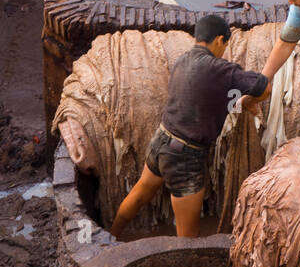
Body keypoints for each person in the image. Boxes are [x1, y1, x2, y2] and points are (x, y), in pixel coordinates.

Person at [109, 14, 270, 240]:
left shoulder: (182, 60)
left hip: (161, 140)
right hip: (185, 157)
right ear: (219, 40)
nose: (224, 50)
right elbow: (265, 87)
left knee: (138, 195)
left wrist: (234, 102)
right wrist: (248, 102)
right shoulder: (220, 69)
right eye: (225, 44)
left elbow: (200, 97)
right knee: (188, 237)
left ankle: (109, 238)